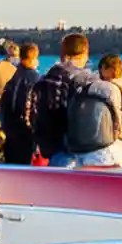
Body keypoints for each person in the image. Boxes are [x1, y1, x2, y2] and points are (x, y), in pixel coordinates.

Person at [32, 34, 99, 165]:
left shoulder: (46, 80)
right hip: (87, 148)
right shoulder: (91, 81)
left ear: (62, 52)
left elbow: (36, 115)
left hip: (55, 147)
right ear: (85, 52)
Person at [0, 43, 41, 165]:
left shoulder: (13, 78)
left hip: (11, 133)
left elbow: (1, 105)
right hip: (26, 135)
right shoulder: (35, 80)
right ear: (33, 59)